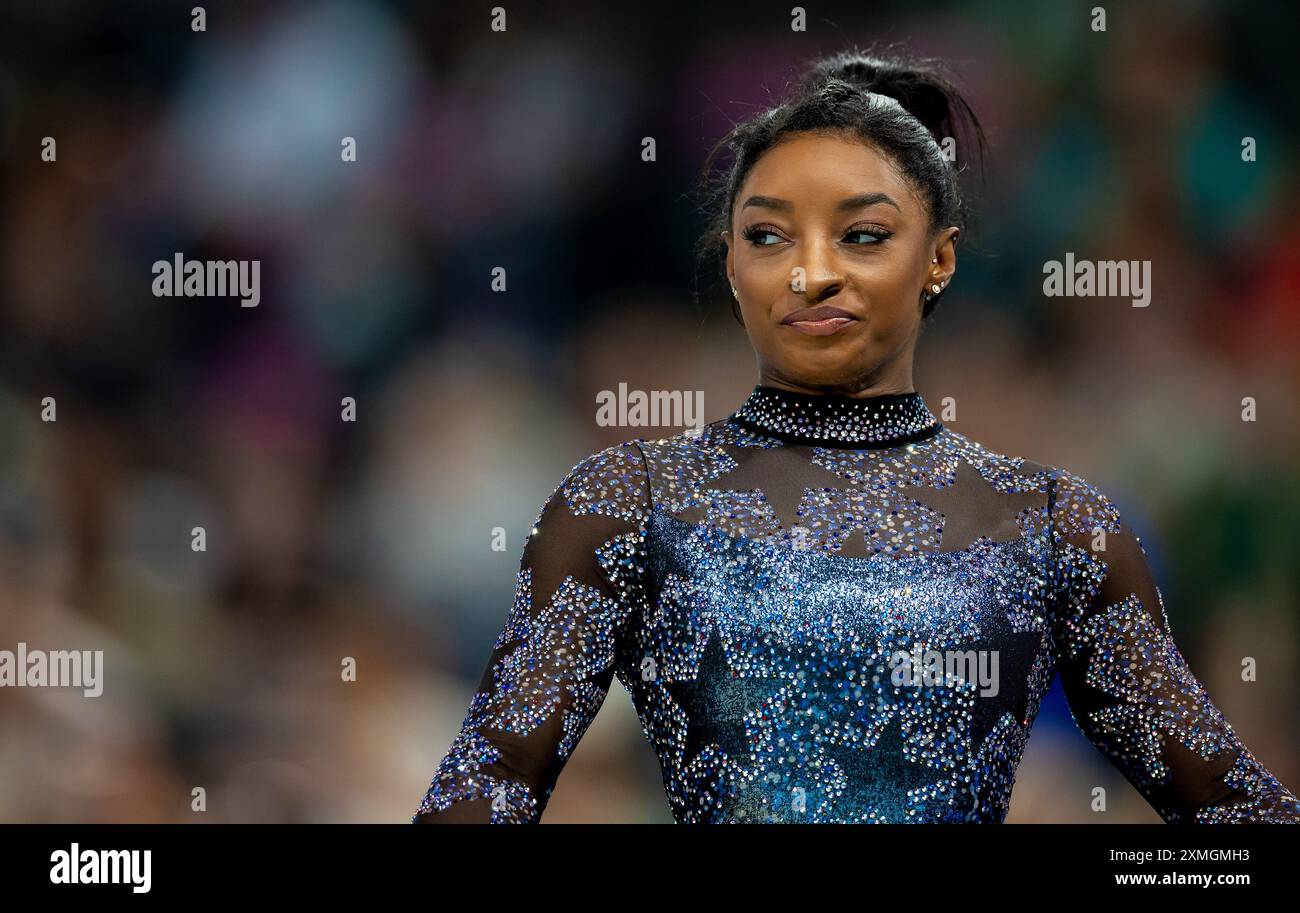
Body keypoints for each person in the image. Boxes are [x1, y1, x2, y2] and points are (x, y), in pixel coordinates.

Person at [413, 48, 1300, 824]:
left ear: (939, 259)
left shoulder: (1057, 528)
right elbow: (490, 783)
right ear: (731, 263)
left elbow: (1231, 811)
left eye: (863, 235)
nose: (812, 272)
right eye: (767, 235)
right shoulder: (626, 504)